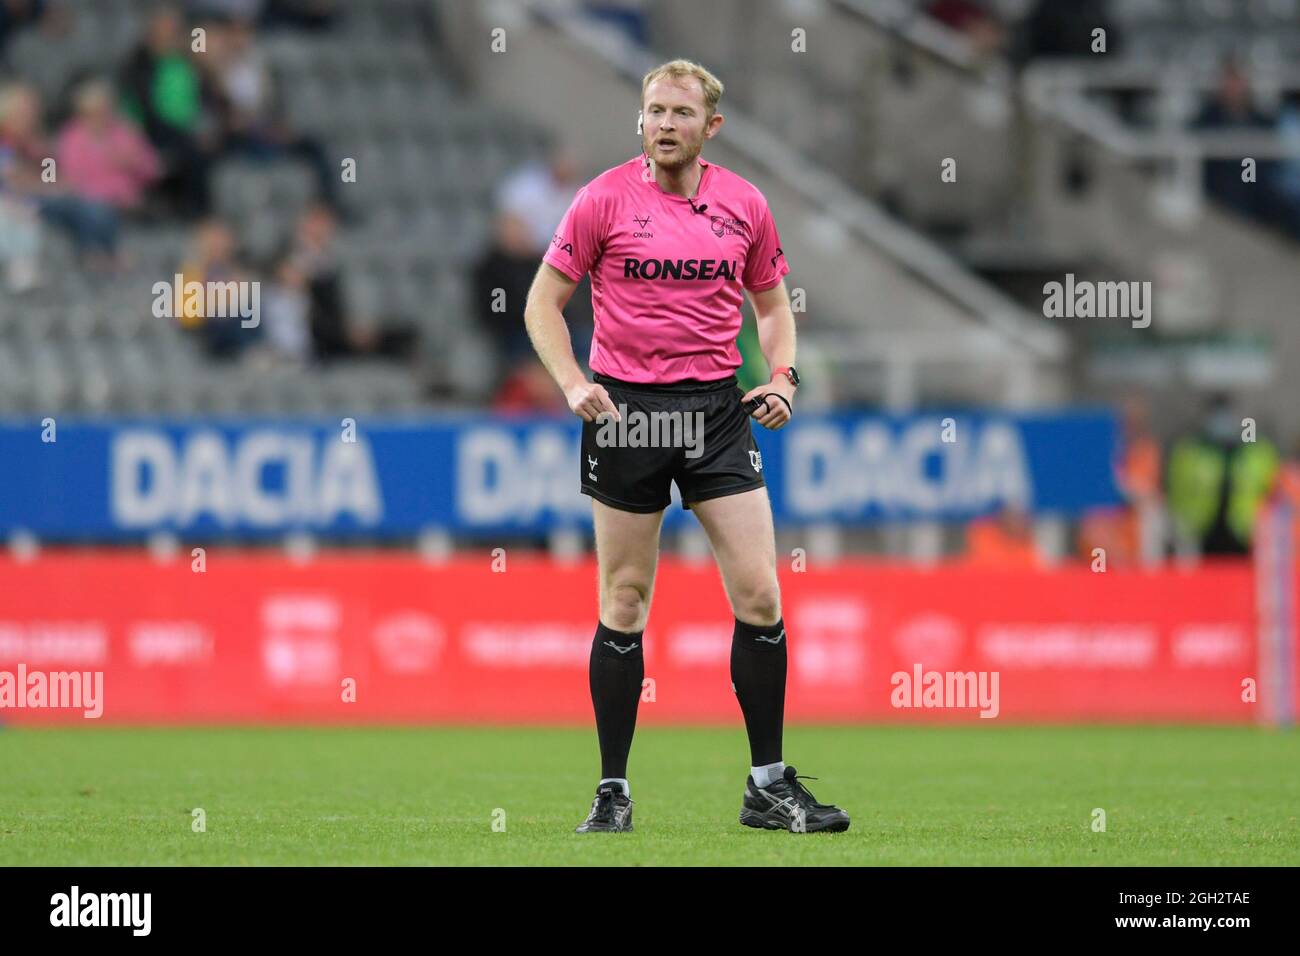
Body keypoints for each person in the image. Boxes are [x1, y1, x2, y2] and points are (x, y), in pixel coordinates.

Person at [524, 58, 849, 834]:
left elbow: (772, 306)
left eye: (680, 112)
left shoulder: (744, 204)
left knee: (762, 595)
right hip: (627, 413)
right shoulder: (602, 199)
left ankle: (767, 786)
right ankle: (612, 792)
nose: (664, 123)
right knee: (626, 600)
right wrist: (572, 383)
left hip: (717, 412)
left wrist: (784, 375)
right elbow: (542, 304)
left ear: (711, 126)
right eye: (654, 110)